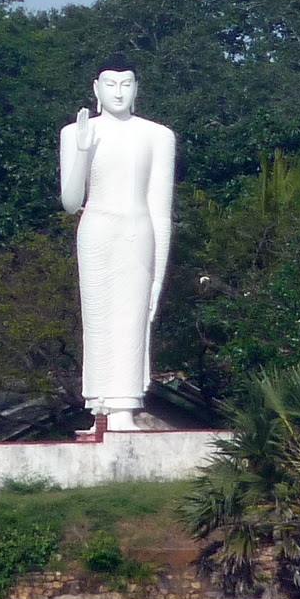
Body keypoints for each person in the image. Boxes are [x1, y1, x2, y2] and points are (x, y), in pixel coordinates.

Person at [59, 58, 176, 431]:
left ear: (137, 89)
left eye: (126, 84)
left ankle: (125, 406)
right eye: (111, 85)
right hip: (96, 227)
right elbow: (70, 201)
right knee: (97, 320)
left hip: (138, 230)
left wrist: (159, 270)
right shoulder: (76, 132)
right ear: (96, 89)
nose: (119, 92)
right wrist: (81, 151)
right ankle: (101, 407)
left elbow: (160, 209)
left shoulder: (157, 136)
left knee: (132, 317)